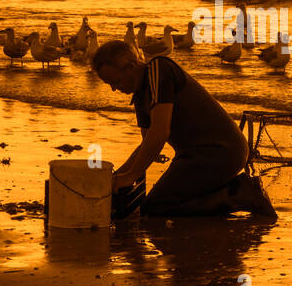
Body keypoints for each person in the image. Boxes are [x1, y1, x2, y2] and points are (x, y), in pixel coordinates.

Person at [91, 41, 275, 218]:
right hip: (191, 156)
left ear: (130, 67)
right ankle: (224, 189)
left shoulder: (158, 69)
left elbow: (160, 132)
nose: (114, 89)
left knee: (156, 206)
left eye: (116, 81)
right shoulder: (139, 94)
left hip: (221, 151)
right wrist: (117, 177)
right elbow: (146, 144)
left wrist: (131, 175)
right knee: (155, 204)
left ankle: (239, 195)